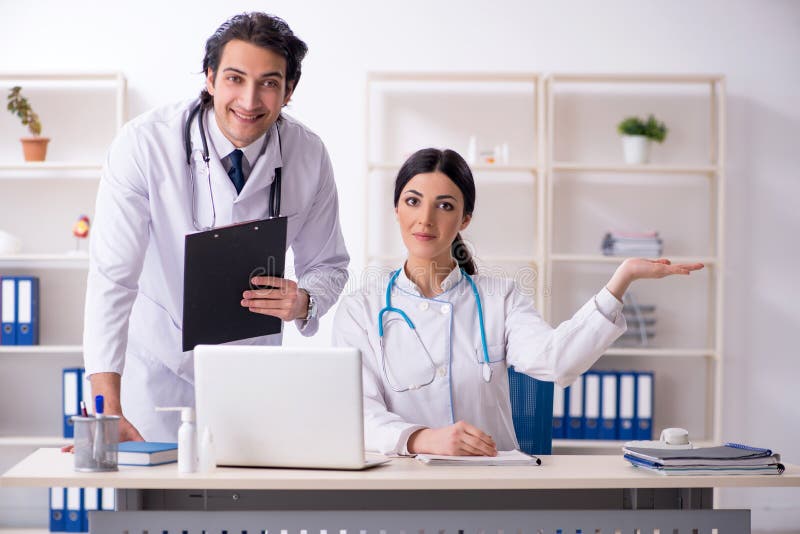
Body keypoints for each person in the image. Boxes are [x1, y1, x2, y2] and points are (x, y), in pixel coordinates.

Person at [83, 13, 349, 443]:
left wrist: (304, 301)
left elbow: (329, 264)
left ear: (289, 91)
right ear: (210, 78)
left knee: (247, 485)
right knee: (150, 484)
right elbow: (112, 278)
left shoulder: (308, 155)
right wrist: (106, 406)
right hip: (155, 372)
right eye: (234, 78)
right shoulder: (144, 145)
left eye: (268, 83)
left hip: (252, 374)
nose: (249, 100)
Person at [332, 148, 703, 456]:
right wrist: (422, 438)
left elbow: (557, 362)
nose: (425, 219)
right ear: (396, 209)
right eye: (413, 201)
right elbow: (356, 414)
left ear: (465, 219)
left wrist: (620, 281)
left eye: (444, 206)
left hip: (491, 489)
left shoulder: (500, 297)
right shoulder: (360, 310)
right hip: (402, 487)